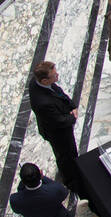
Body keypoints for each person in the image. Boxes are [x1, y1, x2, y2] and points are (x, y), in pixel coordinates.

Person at [28, 60, 83, 192]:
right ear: (44, 80)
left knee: (70, 154)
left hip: (58, 123)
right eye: (54, 75)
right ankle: (71, 181)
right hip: (58, 133)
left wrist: (72, 106)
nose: (57, 75)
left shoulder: (38, 82)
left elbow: (58, 92)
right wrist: (73, 117)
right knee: (65, 156)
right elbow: (59, 121)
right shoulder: (43, 103)